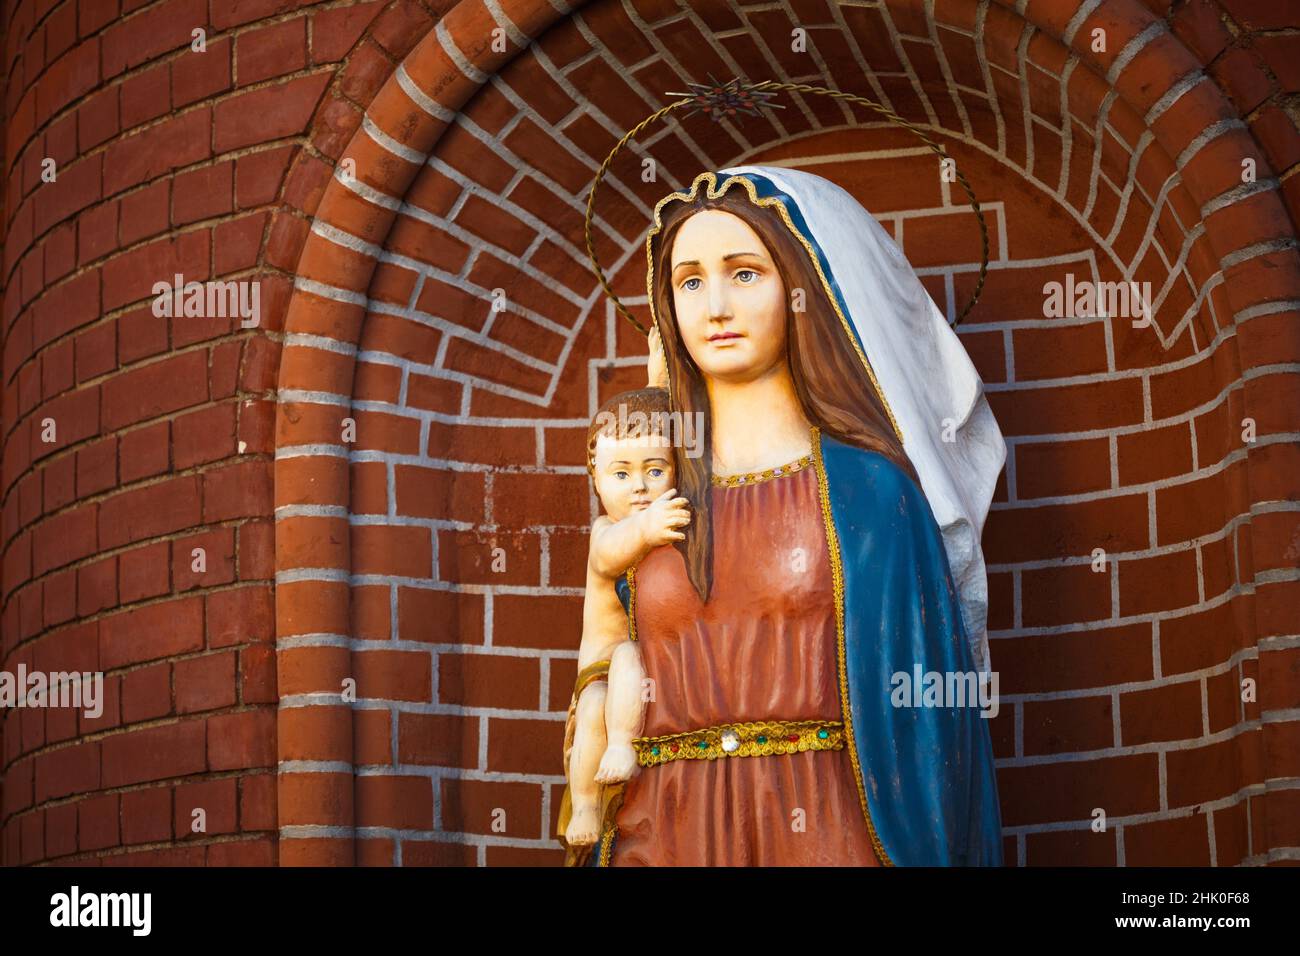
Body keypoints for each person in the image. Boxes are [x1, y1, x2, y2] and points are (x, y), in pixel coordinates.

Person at [585, 167, 1006, 866]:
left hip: (826, 827)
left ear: (803, 290)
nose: (715, 304)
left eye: (745, 273)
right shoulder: (645, 496)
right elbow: (598, 666)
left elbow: (929, 731)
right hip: (662, 831)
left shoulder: (870, 491)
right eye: (690, 281)